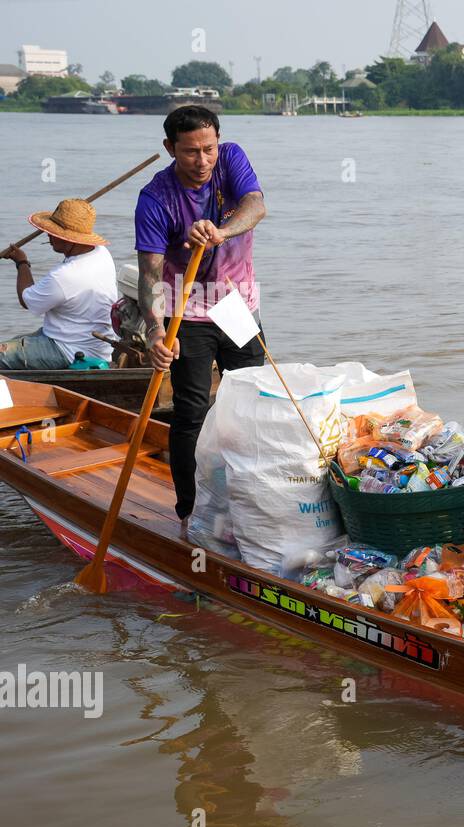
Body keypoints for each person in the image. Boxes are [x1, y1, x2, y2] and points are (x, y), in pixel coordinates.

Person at [134, 104, 267, 533]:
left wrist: (223, 232)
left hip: (236, 305)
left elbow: (256, 206)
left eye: (208, 148)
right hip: (185, 310)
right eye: (190, 152)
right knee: (191, 411)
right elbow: (150, 274)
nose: (202, 161)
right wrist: (155, 332)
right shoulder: (156, 198)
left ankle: (252, 500)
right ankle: (190, 510)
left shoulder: (231, 158)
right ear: (170, 148)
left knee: (250, 404)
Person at [0, 198, 117, 369]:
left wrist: (22, 263)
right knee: (13, 343)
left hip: (68, 349)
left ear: (70, 239)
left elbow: (27, 300)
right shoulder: (101, 253)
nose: (49, 235)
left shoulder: (65, 275)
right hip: (95, 345)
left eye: (54, 232)